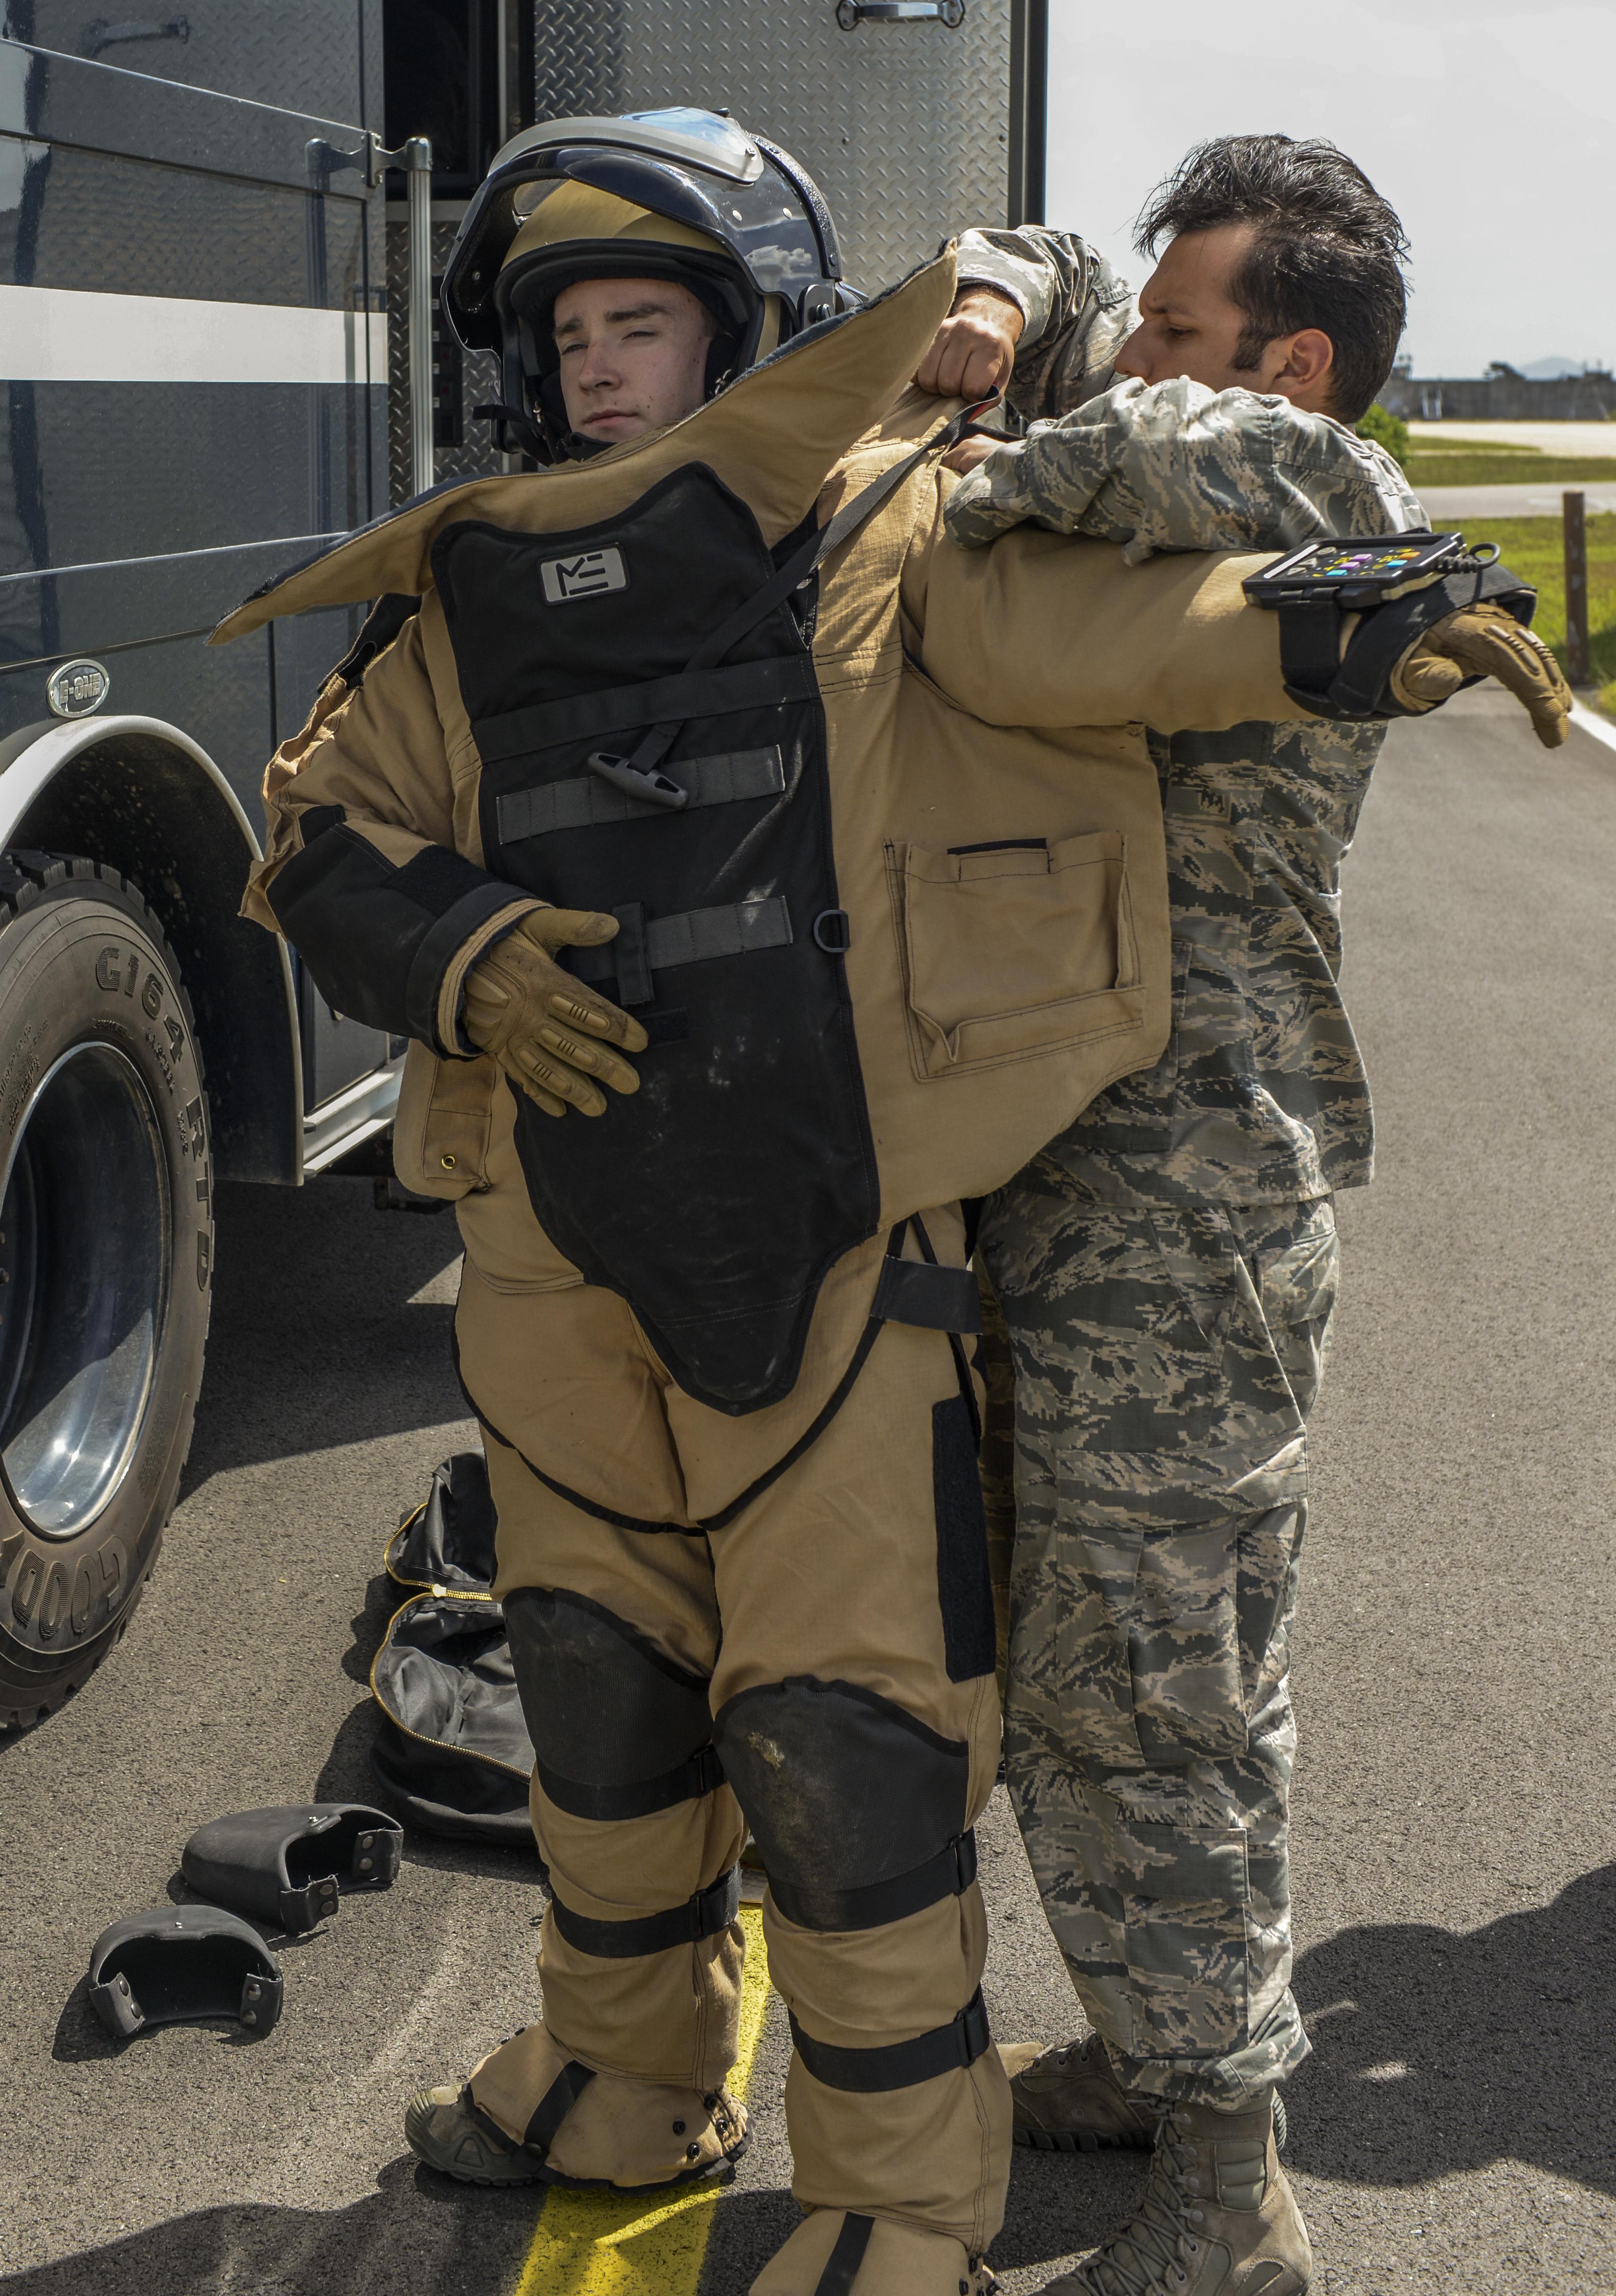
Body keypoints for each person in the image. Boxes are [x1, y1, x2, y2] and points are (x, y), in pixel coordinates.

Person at [222, 112, 1560, 2296]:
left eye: (641, 322)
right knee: (598, 1687)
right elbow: (319, 833)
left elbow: (1107, 631)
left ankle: (918, 2188)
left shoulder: (895, 532)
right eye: (563, 334)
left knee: (860, 1736)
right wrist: (450, 955)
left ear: (745, 323)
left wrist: (1346, 635)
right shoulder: (473, 600)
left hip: (866, 1235)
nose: (593, 372)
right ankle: (627, 2058)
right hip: (570, 1251)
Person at [910, 135, 1568, 2296]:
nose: (1137, 365)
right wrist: (1009, 299)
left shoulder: (1333, 510)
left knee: (1173, 1675)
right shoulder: (1201, 498)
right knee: (1073, 1655)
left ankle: (1229, 2185)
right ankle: (1141, 2033)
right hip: (1069, 1175)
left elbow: (1164, 435)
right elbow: (1069, 292)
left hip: (1195, 1202)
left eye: (1187, 335)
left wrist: (973, 467)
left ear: (1296, 363)